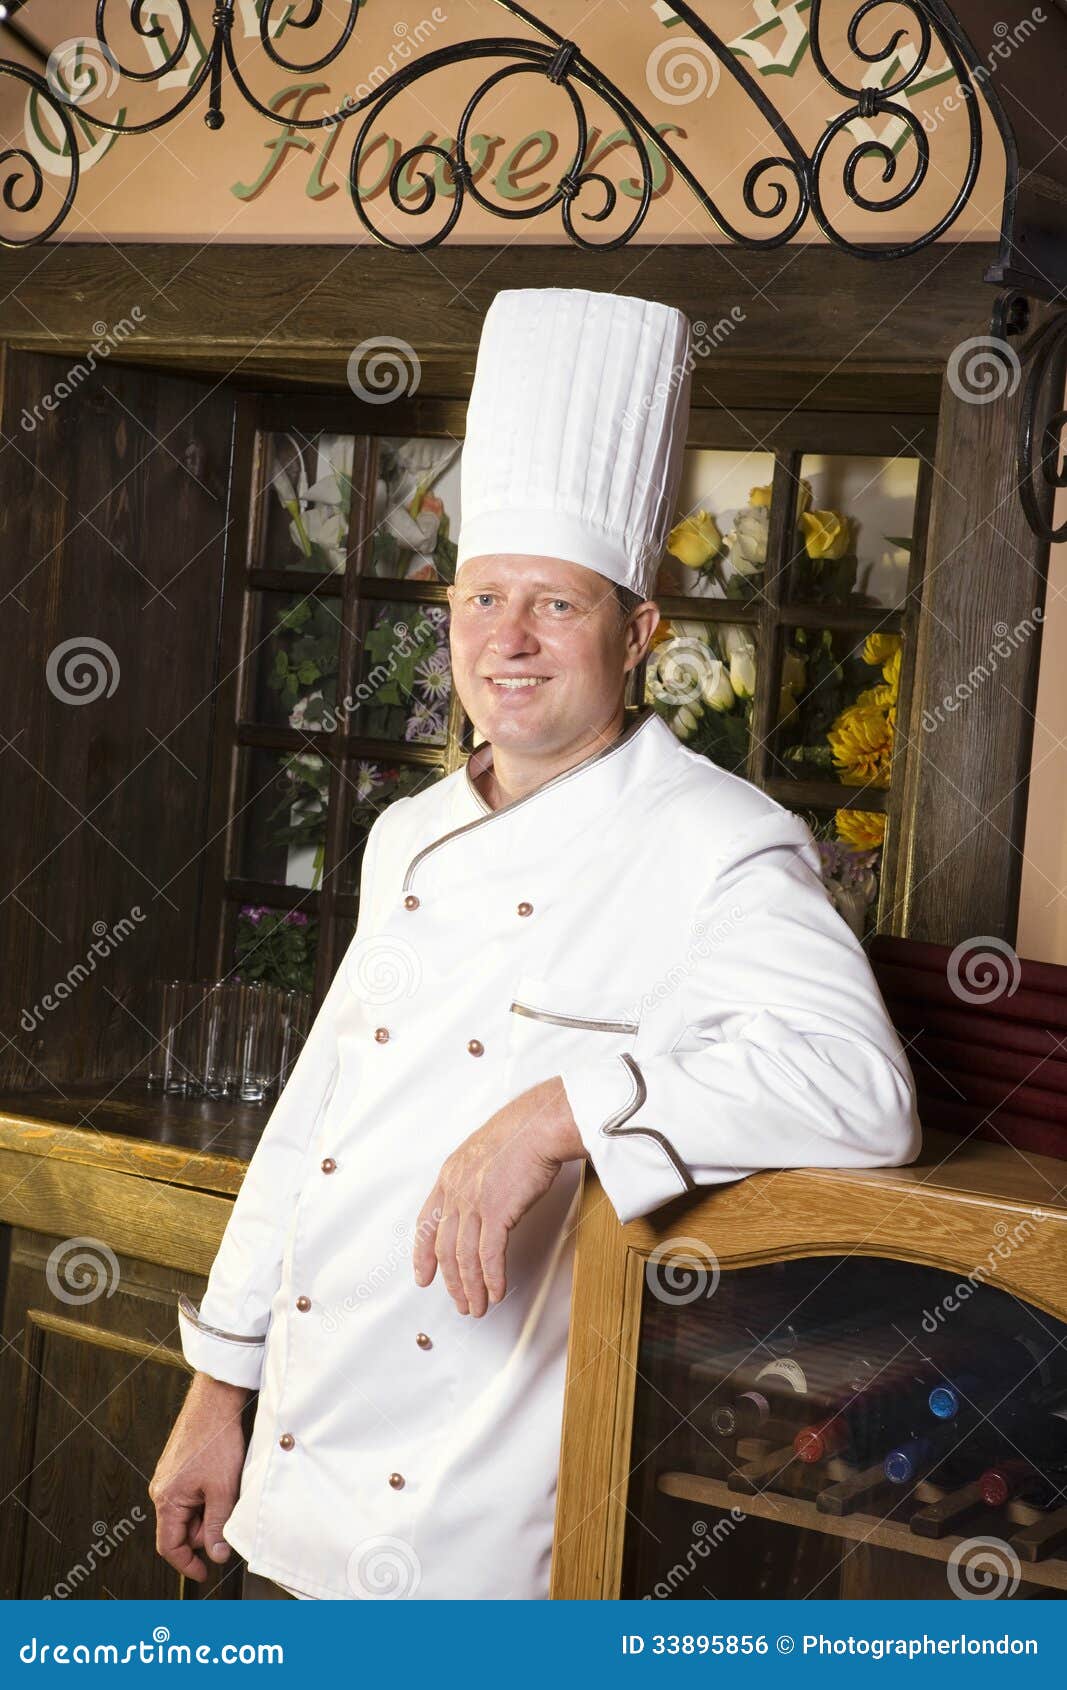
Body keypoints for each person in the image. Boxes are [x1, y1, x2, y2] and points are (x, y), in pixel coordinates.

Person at [149, 286, 921, 1600]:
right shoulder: (411, 832)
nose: (508, 641)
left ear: (641, 633)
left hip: (472, 1510)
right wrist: (218, 1385)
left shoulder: (714, 838)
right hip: (302, 1452)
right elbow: (314, 1120)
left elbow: (865, 1092)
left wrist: (555, 1114)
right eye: (482, 597)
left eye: (556, 606)